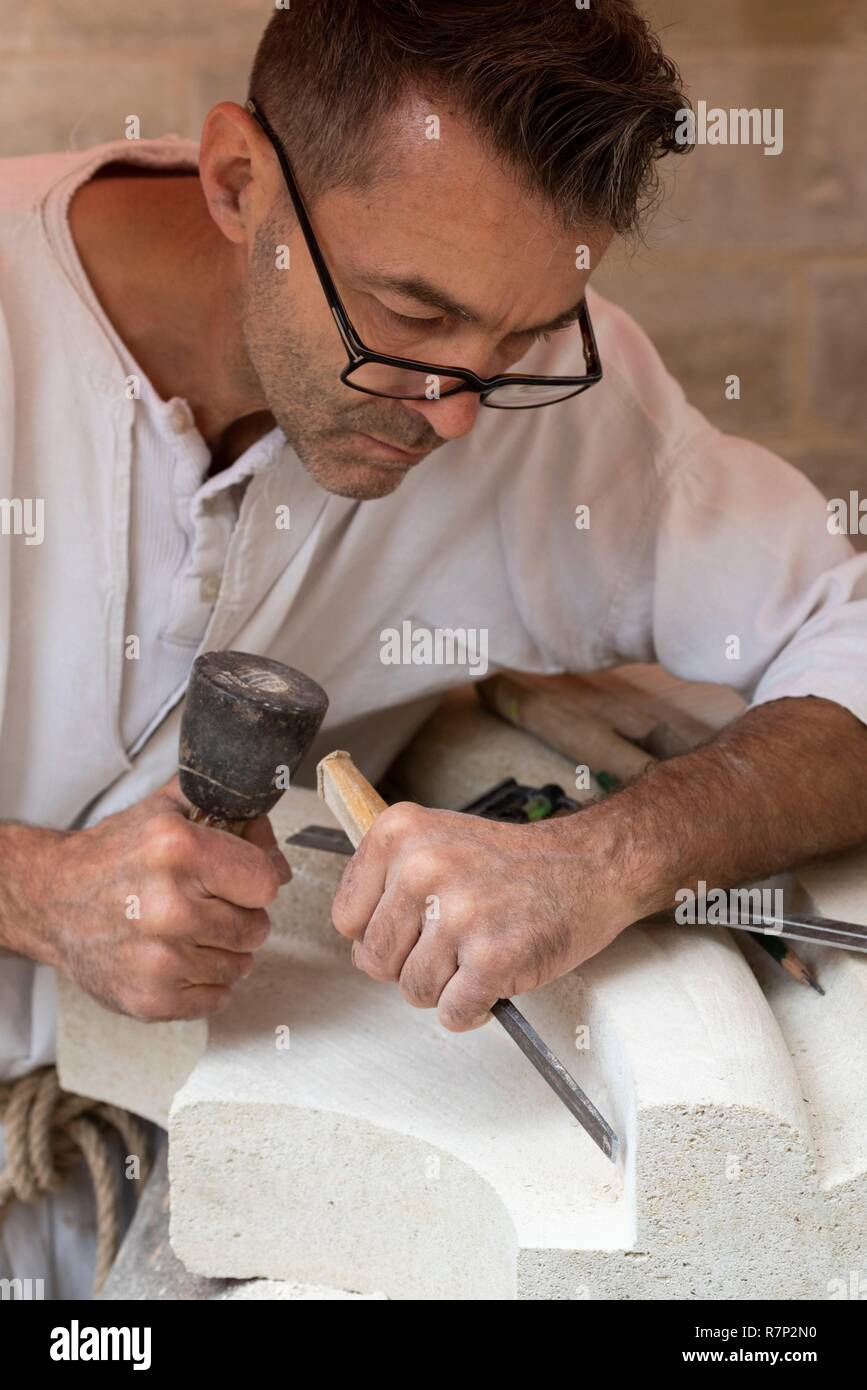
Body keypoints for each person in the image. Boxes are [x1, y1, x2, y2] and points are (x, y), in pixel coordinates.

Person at [1, 0, 865, 1295]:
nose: (459, 416)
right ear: (240, 182)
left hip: (163, 1183)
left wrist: (604, 858)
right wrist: (38, 891)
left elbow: (845, 640)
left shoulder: (551, 404)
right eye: (409, 312)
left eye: (514, 338)